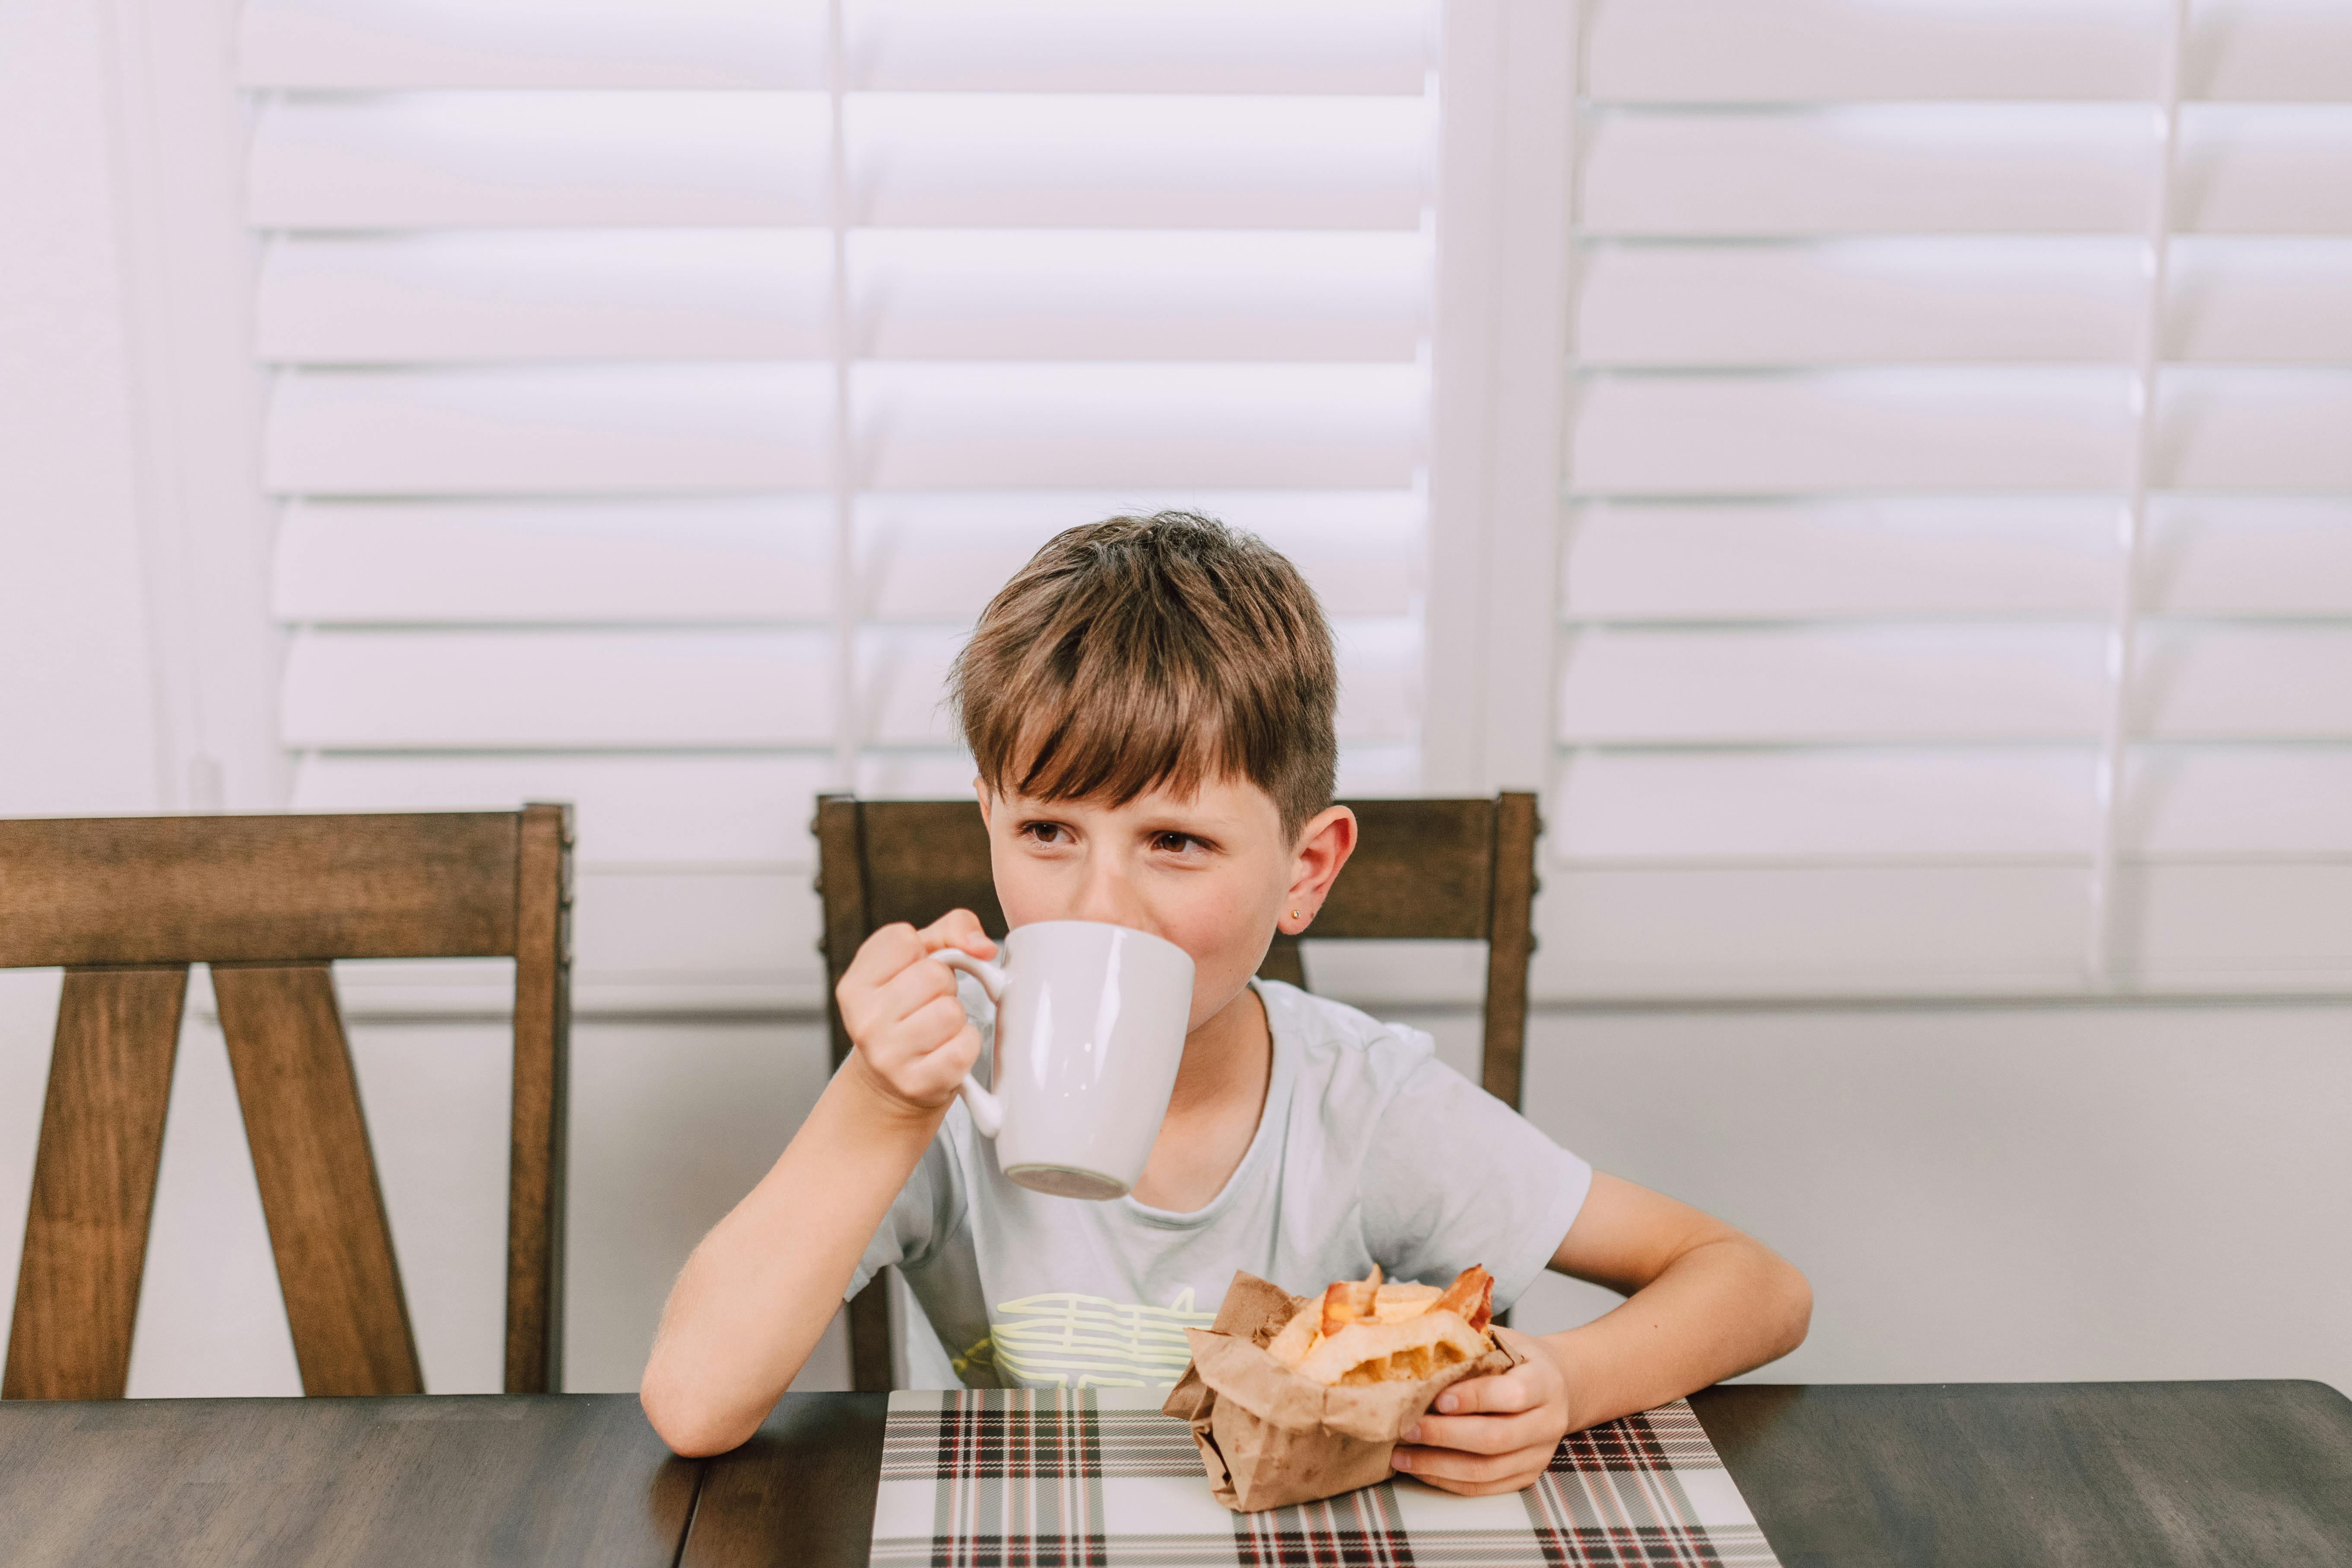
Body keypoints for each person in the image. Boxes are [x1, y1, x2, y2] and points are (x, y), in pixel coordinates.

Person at [640, 512, 1810, 1494]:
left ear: (1305, 871)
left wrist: (1565, 1384)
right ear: (988, 823)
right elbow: (694, 1403)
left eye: (1178, 842)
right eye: (1048, 831)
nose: (1100, 904)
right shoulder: (943, 1087)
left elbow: (1753, 1284)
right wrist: (883, 1100)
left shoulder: (1363, 1104)